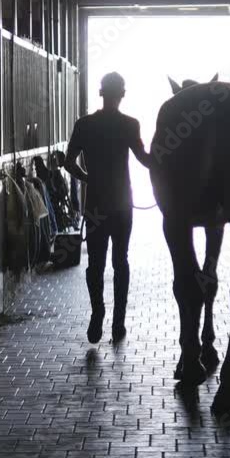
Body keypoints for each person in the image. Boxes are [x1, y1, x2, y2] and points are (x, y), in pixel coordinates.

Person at [64, 72, 151, 344]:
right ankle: (119, 322)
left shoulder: (84, 125)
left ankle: (97, 312)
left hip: (97, 204)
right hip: (123, 204)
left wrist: (89, 178)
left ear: (101, 93)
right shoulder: (129, 125)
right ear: (122, 94)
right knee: (120, 262)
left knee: (95, 264)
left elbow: (68, 163)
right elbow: (146, 160)